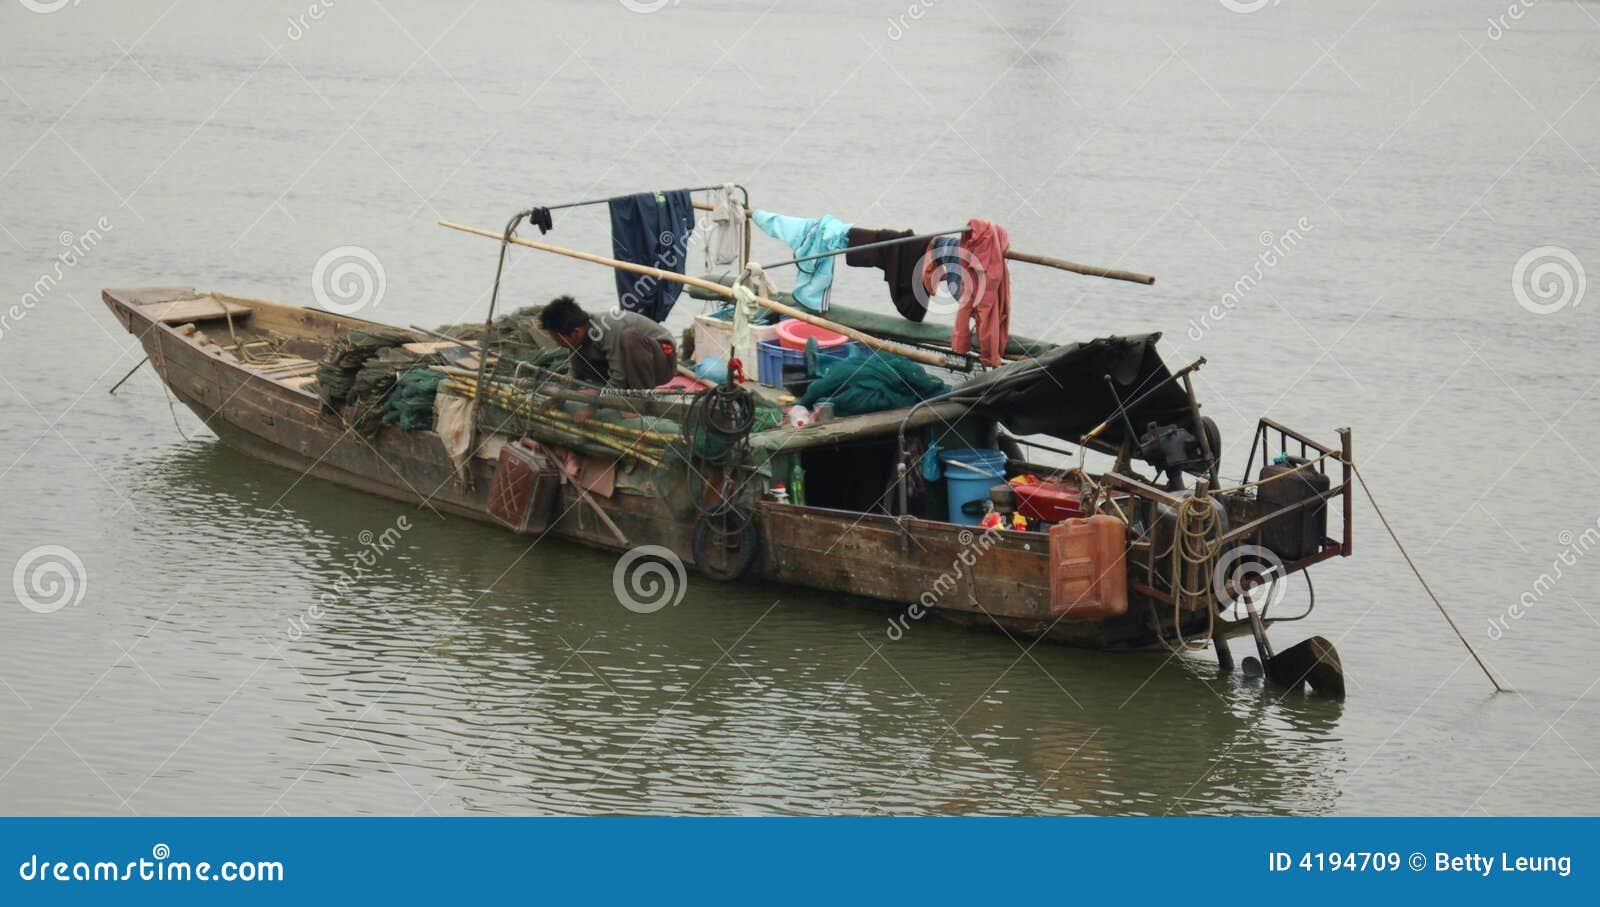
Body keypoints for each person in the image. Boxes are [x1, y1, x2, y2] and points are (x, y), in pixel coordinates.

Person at [538, 295, 677, 389]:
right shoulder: (579, 338)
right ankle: (622, 393)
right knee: (582, 360)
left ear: (575, 332)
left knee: (630, 337)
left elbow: (619, 375)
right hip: (630, 365)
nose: (557, 344)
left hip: (662, 363)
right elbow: (575, 373)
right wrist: (558, 399)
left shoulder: (608, 329)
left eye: (558, 339)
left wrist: (595, 406)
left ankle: (640, 398)